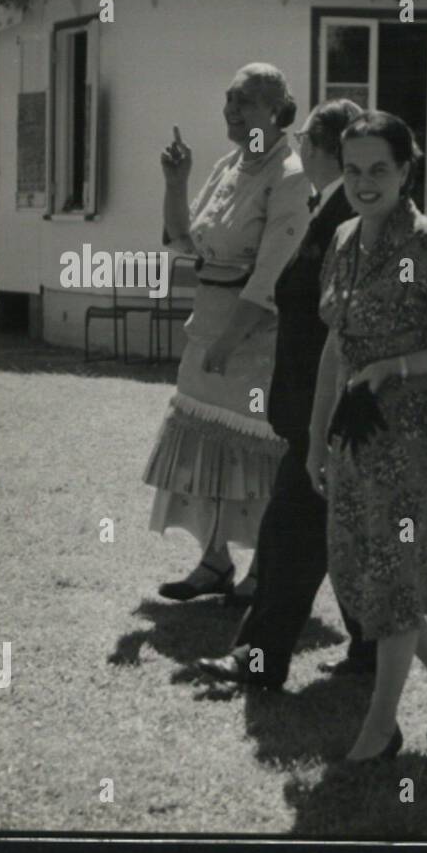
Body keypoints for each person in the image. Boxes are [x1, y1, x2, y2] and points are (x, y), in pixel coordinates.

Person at [309, 111, 427, 762]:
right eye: (353, 169)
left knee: (392, 575)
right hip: (358, 433)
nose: (364, 181)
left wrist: (396, 365)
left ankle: (379, 729)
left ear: (406, 171)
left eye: (379, 168)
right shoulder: (343, 239)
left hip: (413, 435)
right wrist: (313, 439)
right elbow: (335, 347)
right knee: (359, 570)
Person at [196, 99, 375, 690]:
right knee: (341, 535)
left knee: (288, 538)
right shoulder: (328, 208)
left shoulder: (348, 216)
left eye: (305, 139)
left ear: (319, 147)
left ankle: (259, 657)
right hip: (323, 409)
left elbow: (337, 323)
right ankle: (371, 653)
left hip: (326, 411)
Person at [144, 63, 311, 605]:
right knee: (206, 448)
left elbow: (269, 276)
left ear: (275, 110)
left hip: (255, 339)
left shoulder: (289, 174)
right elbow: (184, 242)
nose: (231, 111)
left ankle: (263, 571)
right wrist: (176, 182)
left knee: (258, 452)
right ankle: (213, 561)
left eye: (245, 101)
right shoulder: (228, 165)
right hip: (208, 326)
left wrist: (227, 342)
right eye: (228, 101)